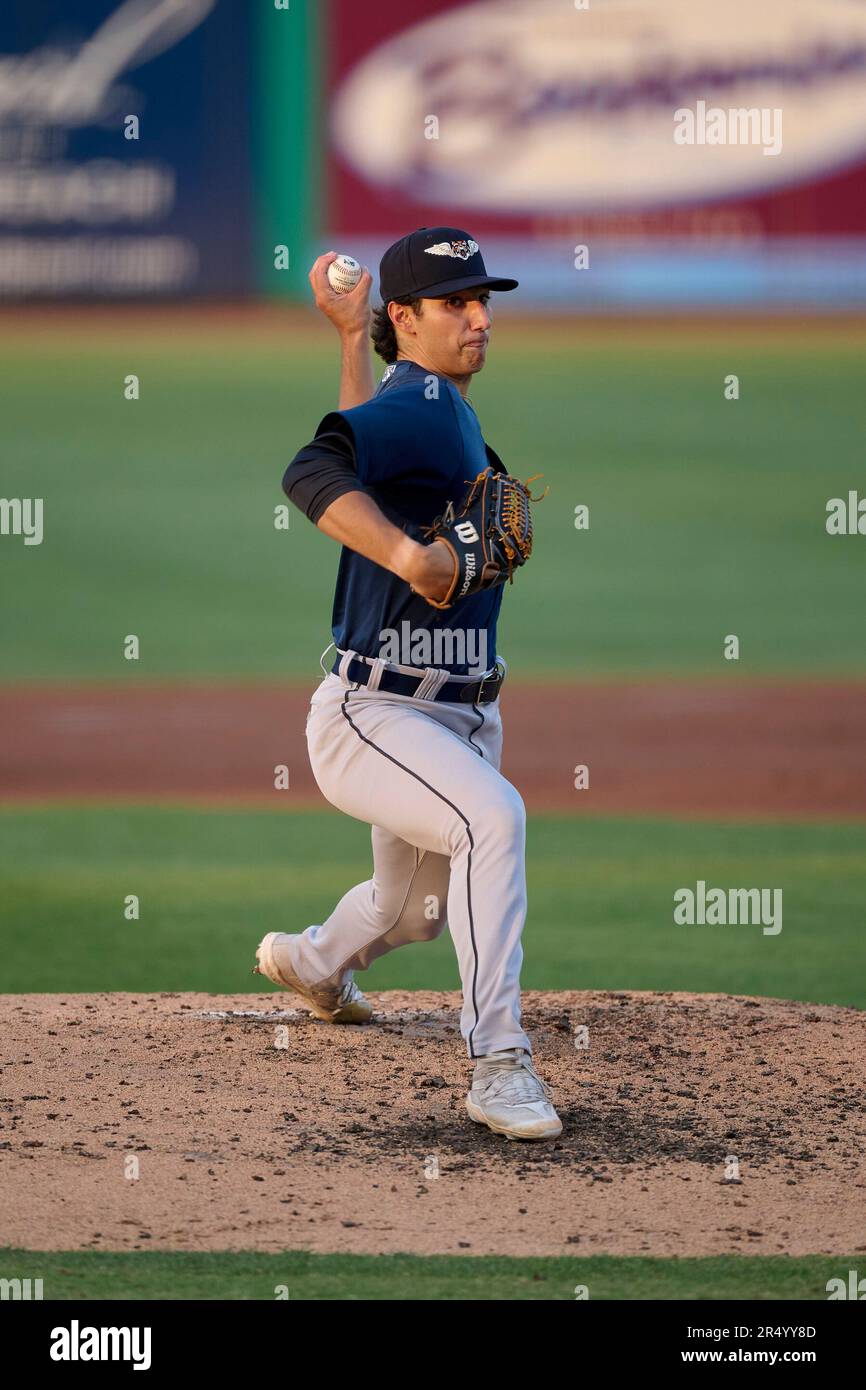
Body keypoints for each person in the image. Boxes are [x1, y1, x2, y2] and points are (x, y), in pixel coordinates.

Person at [254, 227, 562, 1142]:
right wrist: (411, 557)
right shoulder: (429, 402)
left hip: (454, 715)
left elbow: (367, 465)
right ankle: (498, 1061)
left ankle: (312, 965)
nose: (479, 317)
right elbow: (311, 471)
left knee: (415, 910)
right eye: (454, 304)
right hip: (378, 712)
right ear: (408, 318)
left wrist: (349, 339)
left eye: (484, 300)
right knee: (492, 820)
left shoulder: (424, 403)